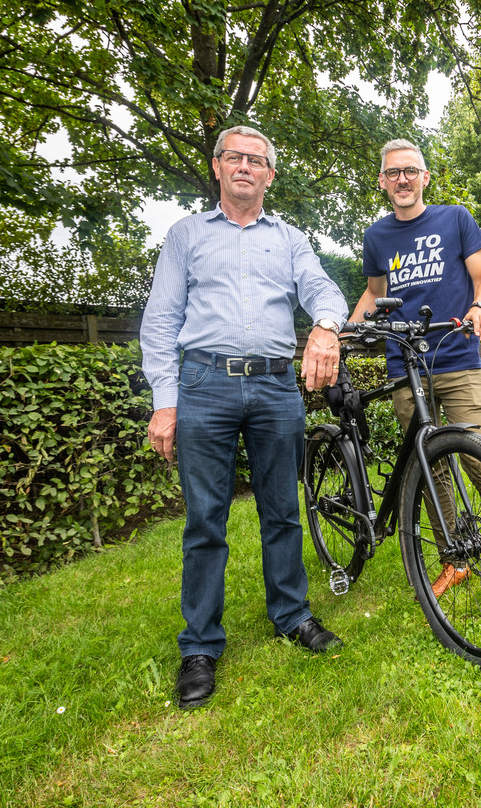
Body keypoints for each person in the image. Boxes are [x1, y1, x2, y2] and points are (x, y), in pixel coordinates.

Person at [140, 125, 348, 710]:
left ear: (270, 175)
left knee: (283, 510)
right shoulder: (186, 235)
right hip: (203, 383)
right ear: (217, 166)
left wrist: (325, 327)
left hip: (276, 385)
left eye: (257, 161)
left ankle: (292, 614)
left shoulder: (290, 239)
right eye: (235, 157)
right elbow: (161, 321)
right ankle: (200, 645)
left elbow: (323, 290)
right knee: (205, 520)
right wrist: (165, 399)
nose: (245, 167)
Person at [352, 138, 481, 604]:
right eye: (394, 173)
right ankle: (456, 560)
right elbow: (374, 293)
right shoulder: (376, 236)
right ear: (382, 181)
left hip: (455, 359)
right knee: (431, 471)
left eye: (410, 171)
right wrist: (344, 333)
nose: (403, 179)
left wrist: (480, 307)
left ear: (425, 177)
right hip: (404, 365)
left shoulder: (455, 219)